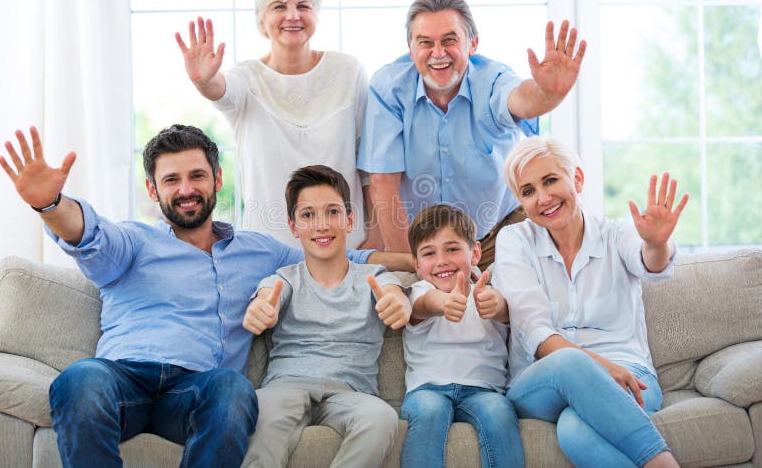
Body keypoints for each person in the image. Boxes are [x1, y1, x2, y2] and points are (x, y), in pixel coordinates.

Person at [0, 125, 409, 468]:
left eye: (196, 175)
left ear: (217, 179)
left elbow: (340, 253)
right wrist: (50, 204)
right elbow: (86, 234)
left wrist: (419, 262)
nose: (186, 189)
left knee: (234, 390)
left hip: (199, 391)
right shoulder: (133, 241)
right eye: (171, 179)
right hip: (125, 379)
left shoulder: (260, 251)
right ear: (152, 188)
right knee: (80, 378)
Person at [493, 137, 687, 467]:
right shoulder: (514, 240)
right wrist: (602, 367)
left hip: (630, 373)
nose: (543, 197)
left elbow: (651, 264)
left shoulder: (617, 233)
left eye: (551, 180)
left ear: (577, 179)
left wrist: (658, 242)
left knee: (574, 430)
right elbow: (534, 332)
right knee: (570, 361)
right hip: (544, 381)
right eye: (528, 191)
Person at [357, 0, 587, 267]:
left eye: (450, 40)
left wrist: (547, 93)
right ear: (411, 49)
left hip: (497, 233)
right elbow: (383, 184)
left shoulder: (493, 78)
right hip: (424, 246)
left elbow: (522, 100)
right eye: (425, 43)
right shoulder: (389, 87)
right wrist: (412, 267)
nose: (438, 53)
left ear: (472, 44)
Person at [176, 0, 370, 249]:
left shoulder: (348, 71)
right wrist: (205, 81)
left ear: (316, 14)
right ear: (261, 21)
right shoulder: (247, 76)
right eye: (279, 6)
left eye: (303, 6)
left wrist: (374, 236)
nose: (293, 15)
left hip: (346, 249)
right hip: (270, 252)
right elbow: (222, 91)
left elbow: (368, 164)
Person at [241, 165, 411, 468]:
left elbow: (395, 295)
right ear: (293, 227)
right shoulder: (284, 278)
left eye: (332, 212)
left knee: (382, 417)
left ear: (349, 220)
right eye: (307, 215)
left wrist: (400, 305)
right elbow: (267, 298)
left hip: (351, 392)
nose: (321, 225)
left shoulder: (375, 276)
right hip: (286, 386)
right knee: (261, 415)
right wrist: (260, 310)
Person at [400, 204, 523, 468]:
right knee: (429, 412)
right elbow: (422, 306)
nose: (442, 260)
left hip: (484, 389)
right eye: (429, 253)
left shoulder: (489, 289)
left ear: (475, 252)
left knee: (500, 413)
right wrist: (443, 304)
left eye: (452, 249)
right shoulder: (418, 291)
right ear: (417, 265)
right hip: (428, 389)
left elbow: (507, 311)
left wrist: (497, 304)